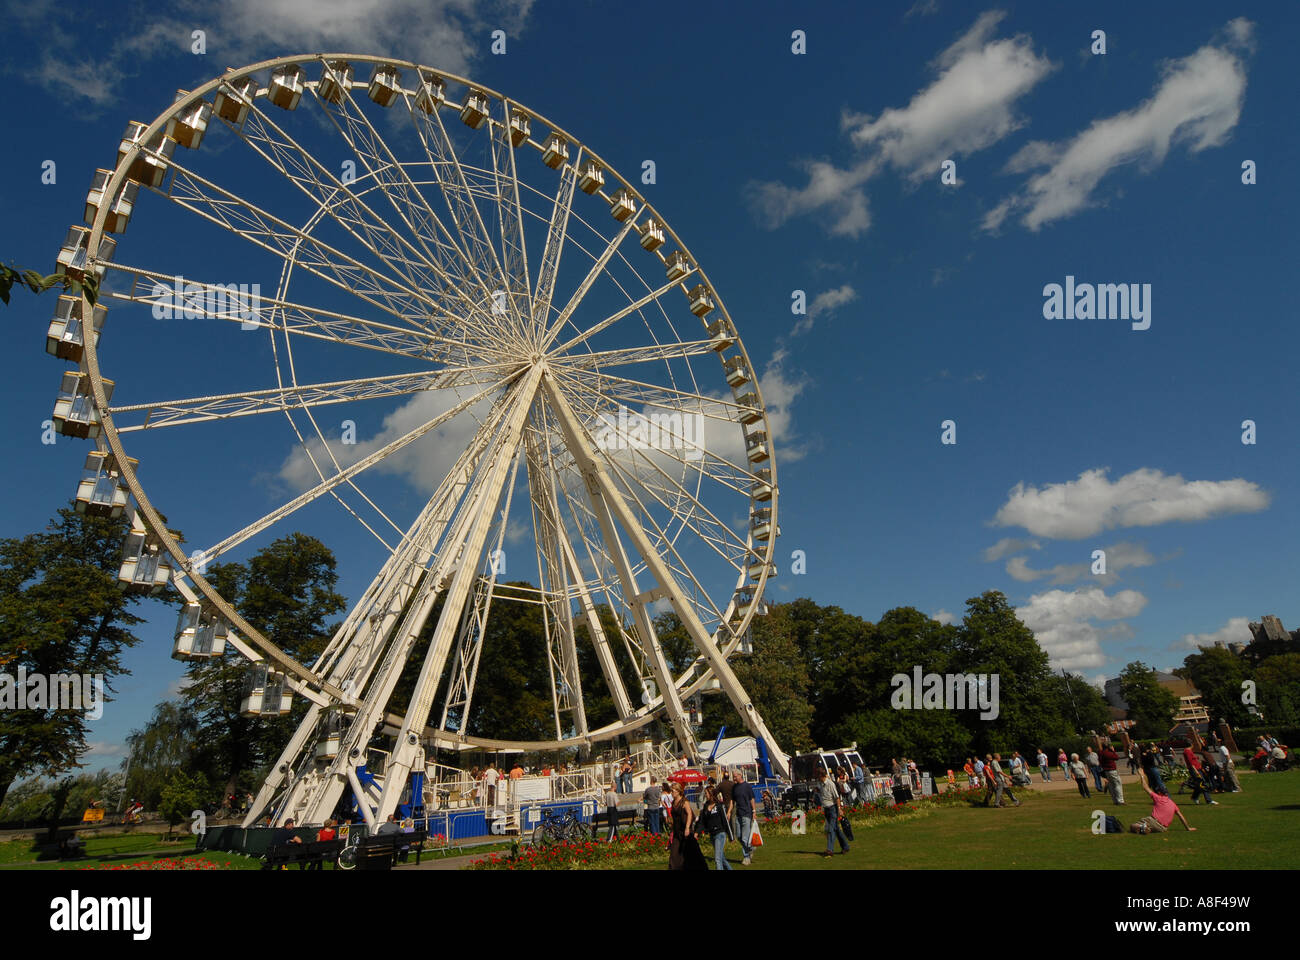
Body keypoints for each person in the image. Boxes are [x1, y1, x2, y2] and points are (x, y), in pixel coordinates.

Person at [1130, 767, 1195, 834]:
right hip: (1162, 828)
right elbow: (1181, 816)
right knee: (1148, 826)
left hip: (1154, 821)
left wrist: (1142, 775)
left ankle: (1143, 828)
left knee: (1133, 826)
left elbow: (1145, 787)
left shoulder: (1158, 798)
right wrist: (1188, 828)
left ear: (1160, 793)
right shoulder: (1173, 804)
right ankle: (1145, 828)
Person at [667, 781, 707, 870]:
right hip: (677, 831)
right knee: (674, 854)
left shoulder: (684, 802)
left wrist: (687, 828)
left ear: (678, 791)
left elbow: (690, 814)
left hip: (685, 830)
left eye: (673, 791)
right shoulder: (674, 802)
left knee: (692, 852)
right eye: (671, 791)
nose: (672, 793)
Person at [818, 769, 850, 857]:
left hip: (833, 808)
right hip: (826, 808)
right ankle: (845, 846)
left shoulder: (830, 784)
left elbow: (837, 797)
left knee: (831, 829)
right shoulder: (821, 784)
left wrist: (839, 809)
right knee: (836, 829)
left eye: (819, 777)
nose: (818, 779)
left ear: (822, 776)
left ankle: (829, 849)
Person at [700, 785, 732, 871]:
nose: (705, 795)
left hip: (720, 834)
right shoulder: (706, 806)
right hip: (712, 834)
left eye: (706, 793)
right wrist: (698, 831)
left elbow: (725, 821)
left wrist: (730, 836)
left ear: (711, 794)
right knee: (721, 858)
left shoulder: (719, 806)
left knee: (717, 858)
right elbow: (703, 820)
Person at [731, 767, 756, 866]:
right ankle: (751, 848)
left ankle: (746, 857)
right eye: (733, 777)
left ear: (740, 775)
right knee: (739, 836)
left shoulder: (747, 786)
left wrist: (754, 811)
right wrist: (729, 811)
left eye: (735, 776)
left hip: (747, 813)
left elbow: (752, 799)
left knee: (745, 837)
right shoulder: (734, 787)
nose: (734, 778)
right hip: (738, 814)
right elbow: (733, 801)